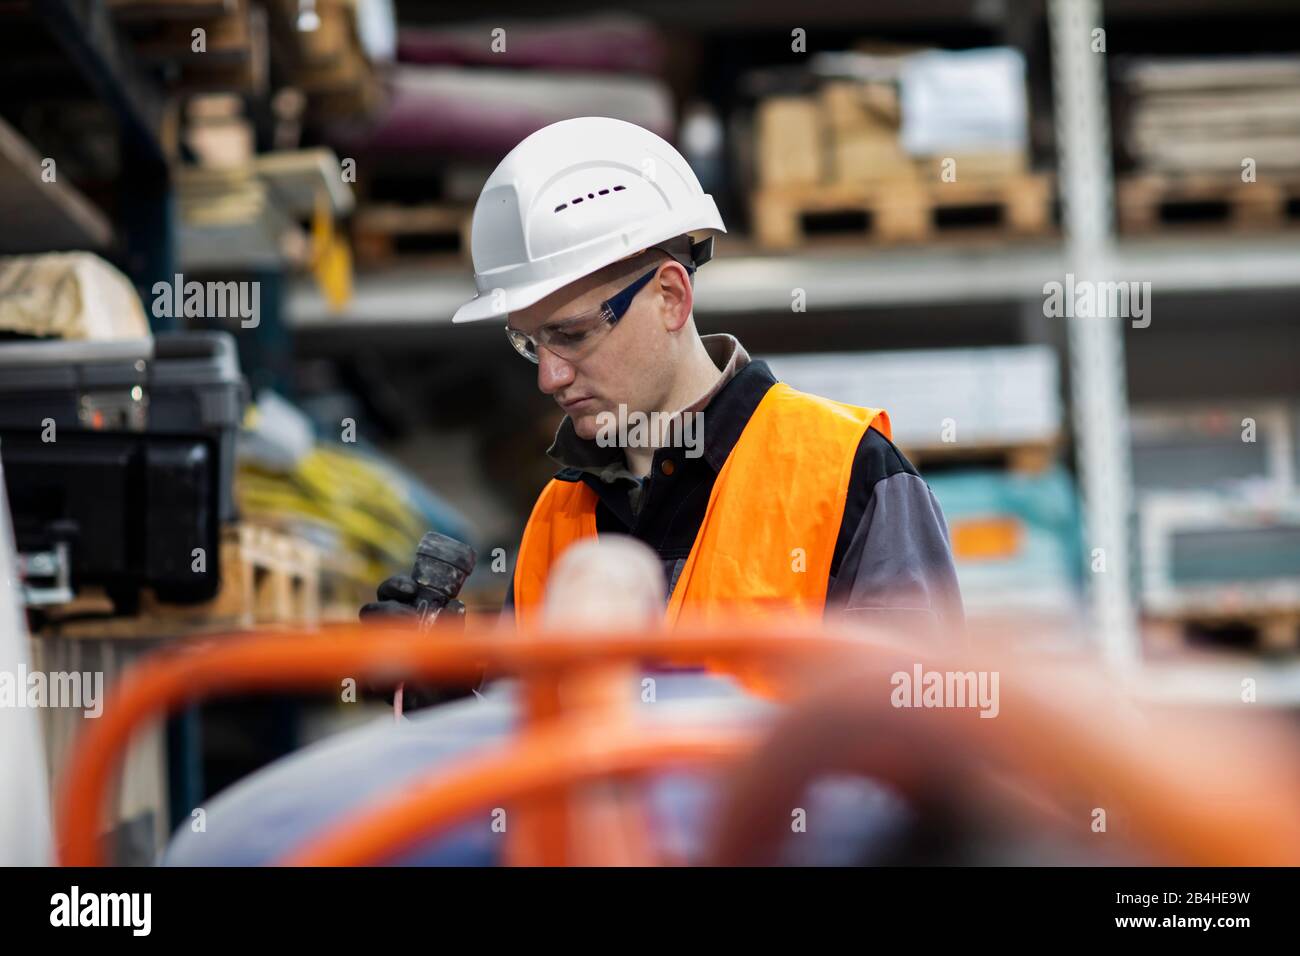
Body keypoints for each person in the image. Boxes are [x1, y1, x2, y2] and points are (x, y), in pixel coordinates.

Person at [364, 117, 962, 639]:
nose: (549, 377)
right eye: (530, 343)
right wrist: (451, 697)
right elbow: (539, 728)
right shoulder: (558, 515)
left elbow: (915, 722)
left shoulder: (847, 471)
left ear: (671, 297)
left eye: (572, 334)